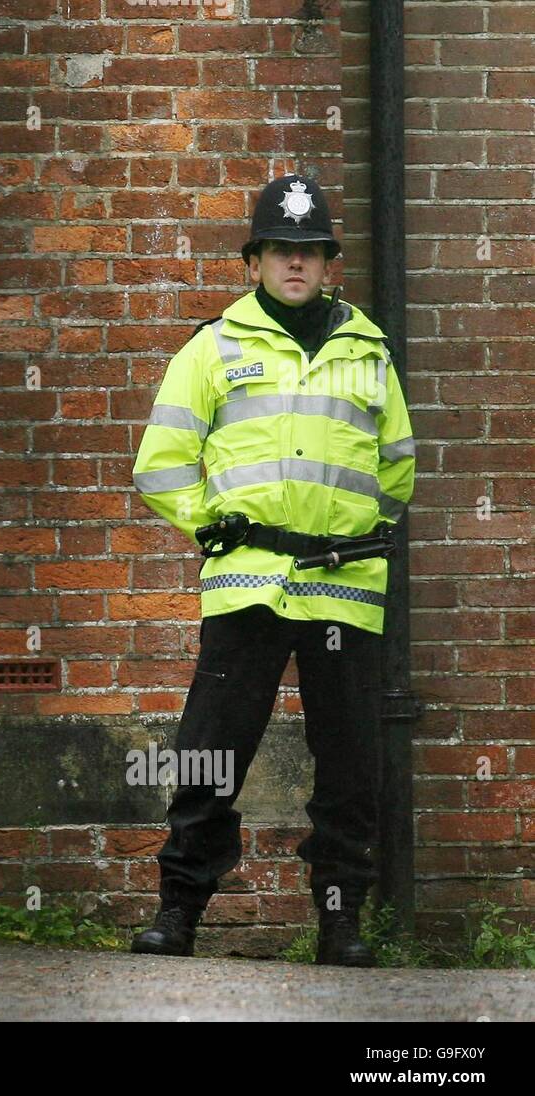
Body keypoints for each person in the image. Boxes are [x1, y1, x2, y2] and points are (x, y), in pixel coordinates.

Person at [128, 173, 416, 966]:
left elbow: (397, 472)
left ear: (330, 265)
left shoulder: (369, 351)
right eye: (282, 250)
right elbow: (161, 466)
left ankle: (341, 922)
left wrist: (352, 529)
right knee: (208, 751)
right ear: (253, 261)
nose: (297, 263)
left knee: (351, 763)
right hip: (248, 580)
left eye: (311, 252)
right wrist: (208, 523)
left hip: (345, 587)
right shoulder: (213, 347)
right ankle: (178, 912)